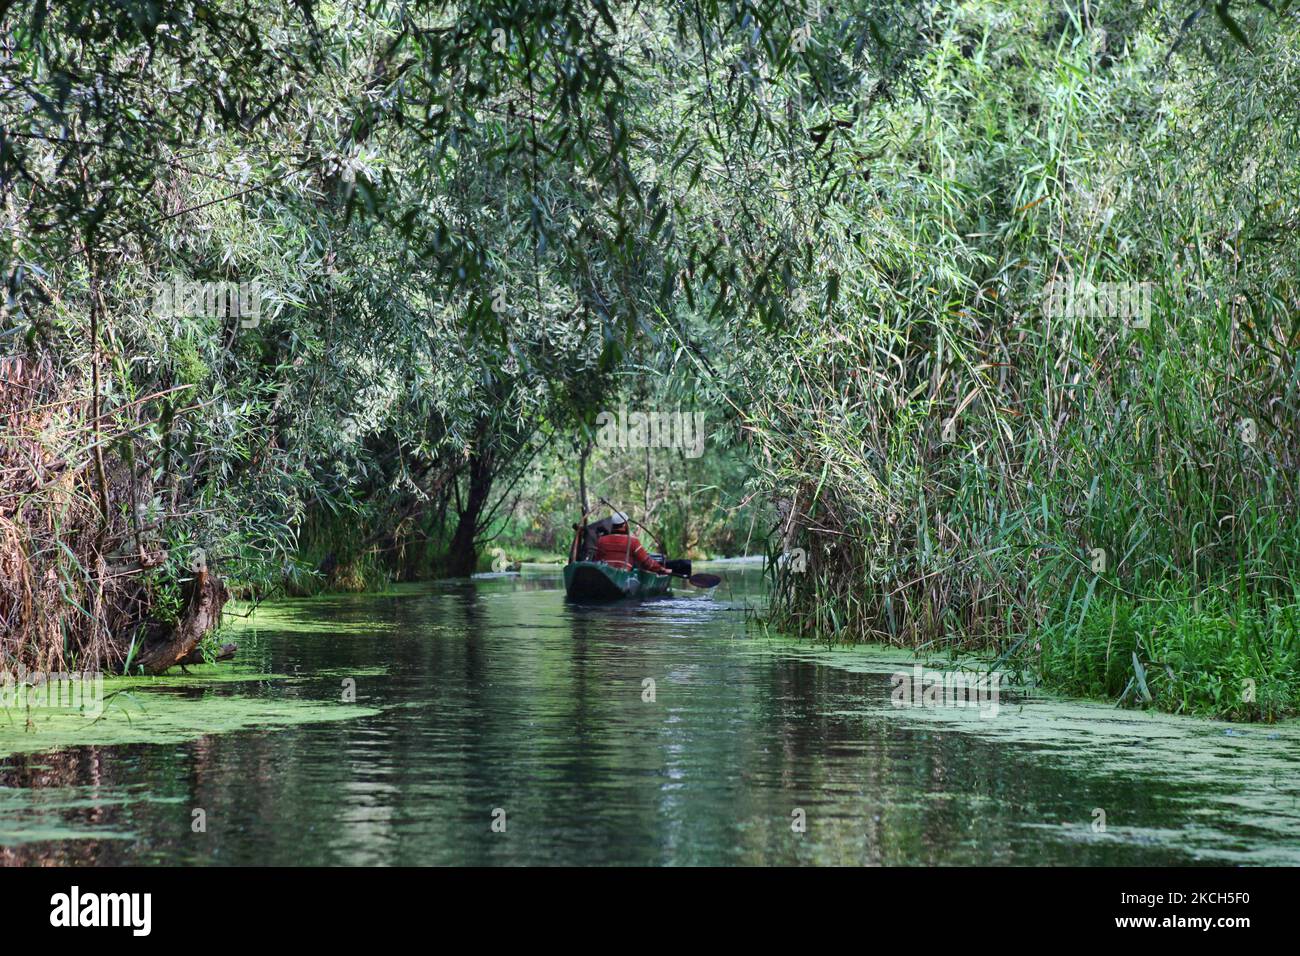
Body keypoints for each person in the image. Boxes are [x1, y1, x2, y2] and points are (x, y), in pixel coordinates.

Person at [591, 512, 670, 574]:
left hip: (605, 574)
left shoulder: (601, 540)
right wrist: (661, 569)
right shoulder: (633, 541)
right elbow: (646, 562)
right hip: (623, 577)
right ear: (625, 525)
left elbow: (596, 560)